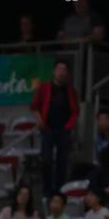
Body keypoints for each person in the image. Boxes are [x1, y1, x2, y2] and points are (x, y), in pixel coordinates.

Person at [30, 60, 79, 198]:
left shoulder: (70, 90)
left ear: (67, 74)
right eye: (59, 69)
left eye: (64, 70)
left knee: (62, 160)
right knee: (46, 159)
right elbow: (34, 106)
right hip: (48, 128)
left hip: (64, 129)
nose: (61, 72)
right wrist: (39, 119)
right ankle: (47, 190)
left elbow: (75, 111)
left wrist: (70, 125)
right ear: (54, 72)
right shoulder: (45, 88)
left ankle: (60, 190)